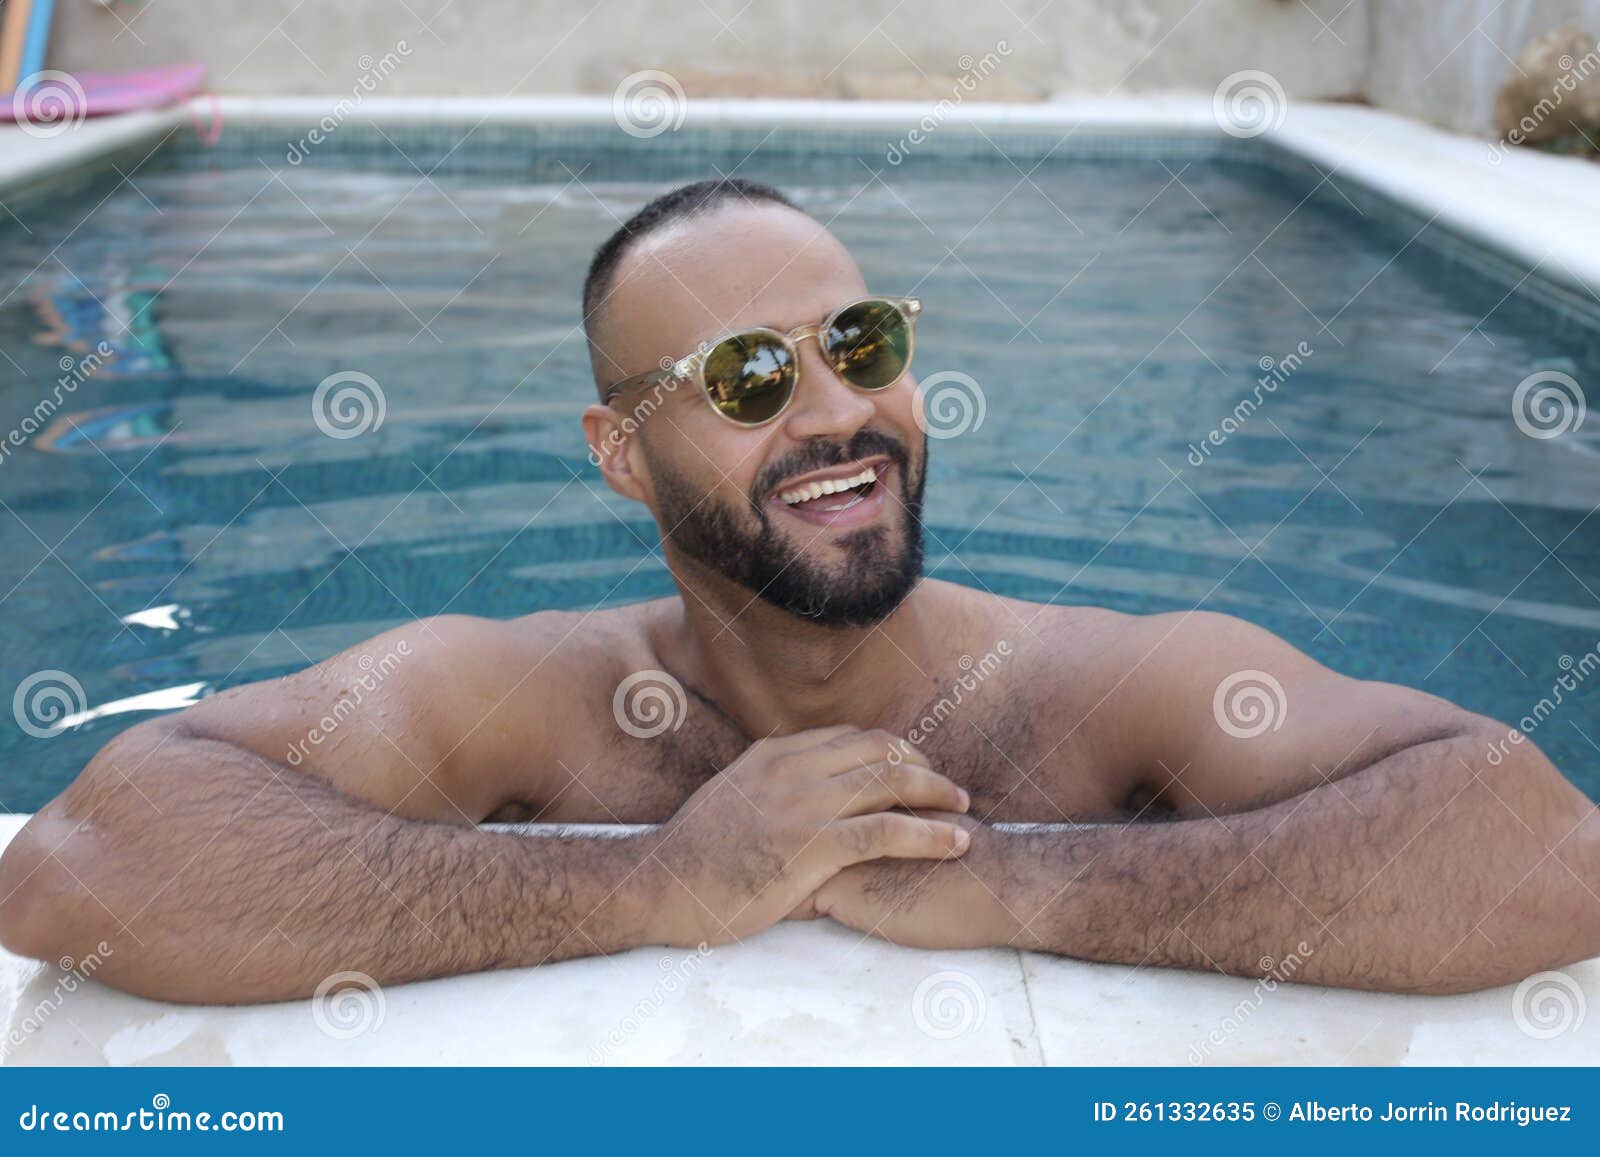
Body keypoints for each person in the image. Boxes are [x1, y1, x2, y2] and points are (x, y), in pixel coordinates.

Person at [2, 179, 1595, 1004]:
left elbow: (1544, 847)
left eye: (864, 345)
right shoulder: (526, 699)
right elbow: (81, 861)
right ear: (621, 451)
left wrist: (1031, 882)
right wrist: (650, 885)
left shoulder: (1114, 683)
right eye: (751, 374)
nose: (834, 411)